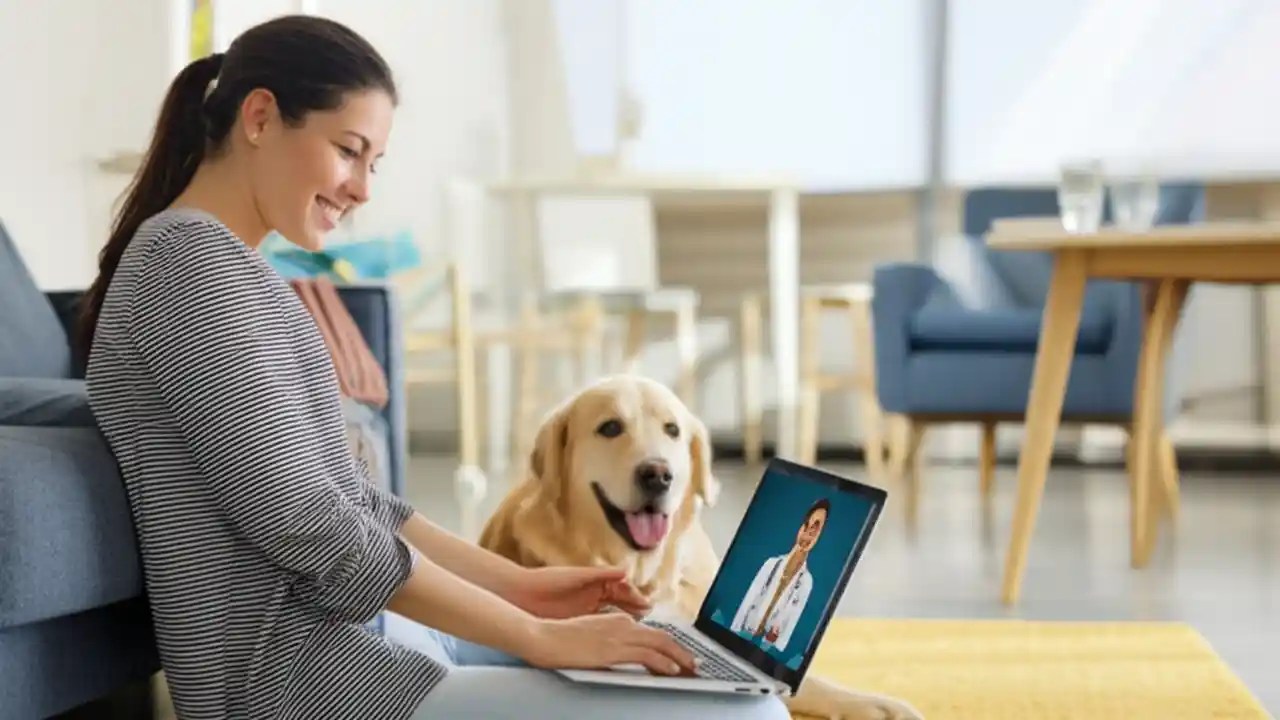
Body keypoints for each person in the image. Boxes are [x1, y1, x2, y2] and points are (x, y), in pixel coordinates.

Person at [79, 15, 789, 720]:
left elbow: (359, 503)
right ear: (260, 116)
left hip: (376, 647)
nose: (361, 188)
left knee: (690, 665)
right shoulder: (184, 265)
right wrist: (536, 638)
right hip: (295, 685)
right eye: (349, 150)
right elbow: (307, 525)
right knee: (747, 716)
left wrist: (524, 588)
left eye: (373, 164)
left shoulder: (244, 276)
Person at [730, 497, 829, 653]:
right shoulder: (771, 564)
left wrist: (774, 647)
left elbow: (790, 626)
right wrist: (733, 634)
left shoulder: (806, 582)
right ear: (801, 528)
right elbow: (748, 601)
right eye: (808, 526)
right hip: (744, 635)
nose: (809, 534)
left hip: (765, 650)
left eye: (816, 529)